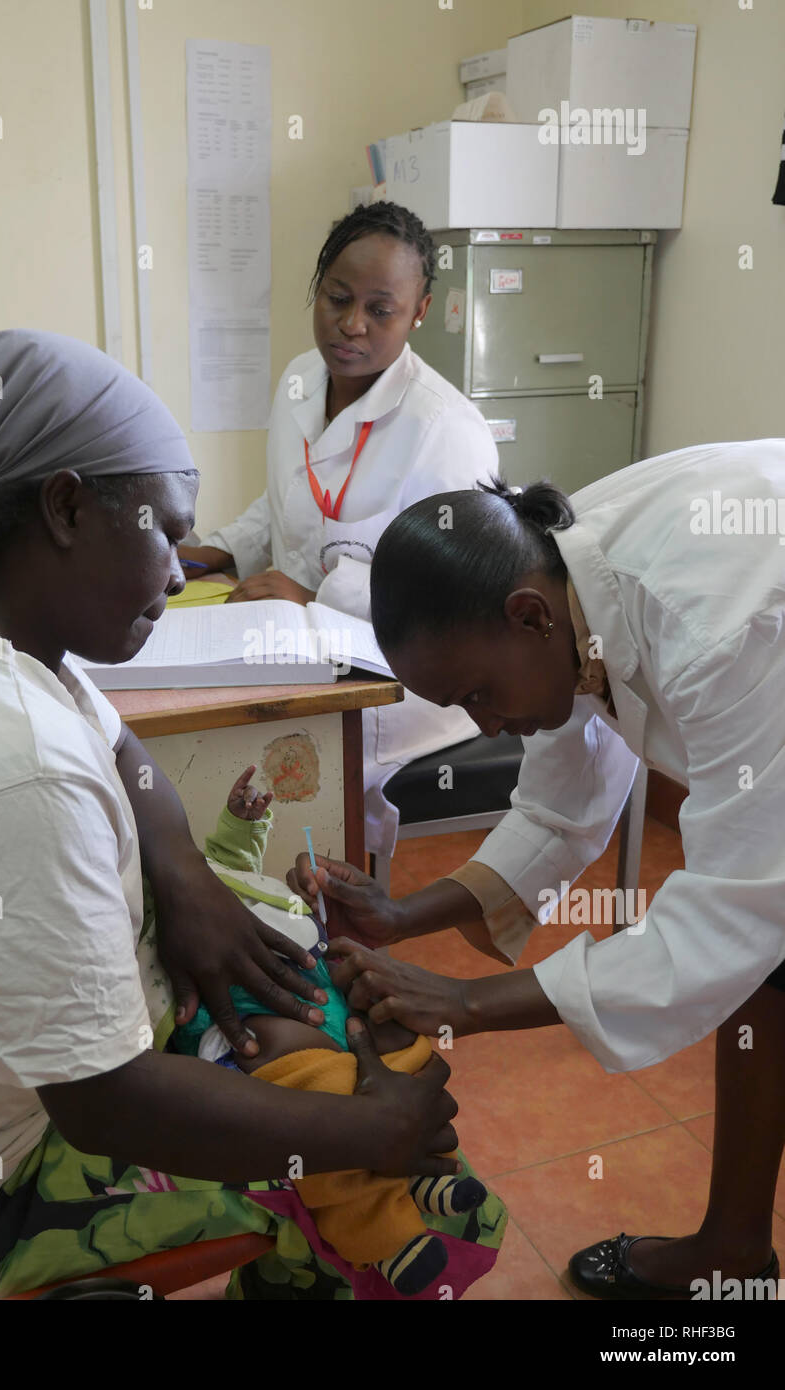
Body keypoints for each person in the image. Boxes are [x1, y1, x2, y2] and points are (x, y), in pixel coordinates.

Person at [0, 328, 505, 1301]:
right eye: (163, 530)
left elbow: (122, 753)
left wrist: (184, 879)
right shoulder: (6, 754)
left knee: (324, 1063)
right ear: (64, 506)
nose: (182, 571)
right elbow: (105, 1105)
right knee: (410, 1191)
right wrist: (369, 1131)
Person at [288, 442, 785, 1300]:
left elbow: (736, 912)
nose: (489, 722)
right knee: (763, 980)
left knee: (754, 946)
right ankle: (735, 1250)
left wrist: (469, 1005)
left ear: (526, 617)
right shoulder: (554, 582)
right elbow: (563, 795)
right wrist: (404, 914)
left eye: (479, 693)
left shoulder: (719, 622)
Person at [178, 202, 499, 857]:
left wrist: (313, 595)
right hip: (296, 637)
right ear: (316, 287)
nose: (351, 325)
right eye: (337, 298)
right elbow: (286, 507)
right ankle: (256, 903)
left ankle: (335, 927)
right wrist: (209, 550)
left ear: (419, 312)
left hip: (399, 668)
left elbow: (452, 597)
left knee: (279, 767)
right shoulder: (300, 379)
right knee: (193, 721)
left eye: (380, 309)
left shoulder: (444, 430)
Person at [154, 763, 489, 1297]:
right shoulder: (137, 905)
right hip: (244, 1007)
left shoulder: (193, 866)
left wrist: (240, 827)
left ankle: (417, 1175)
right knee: (328, 1099)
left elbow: (231, 864)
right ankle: (382, 1232)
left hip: (311, 977)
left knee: (399, 1040)